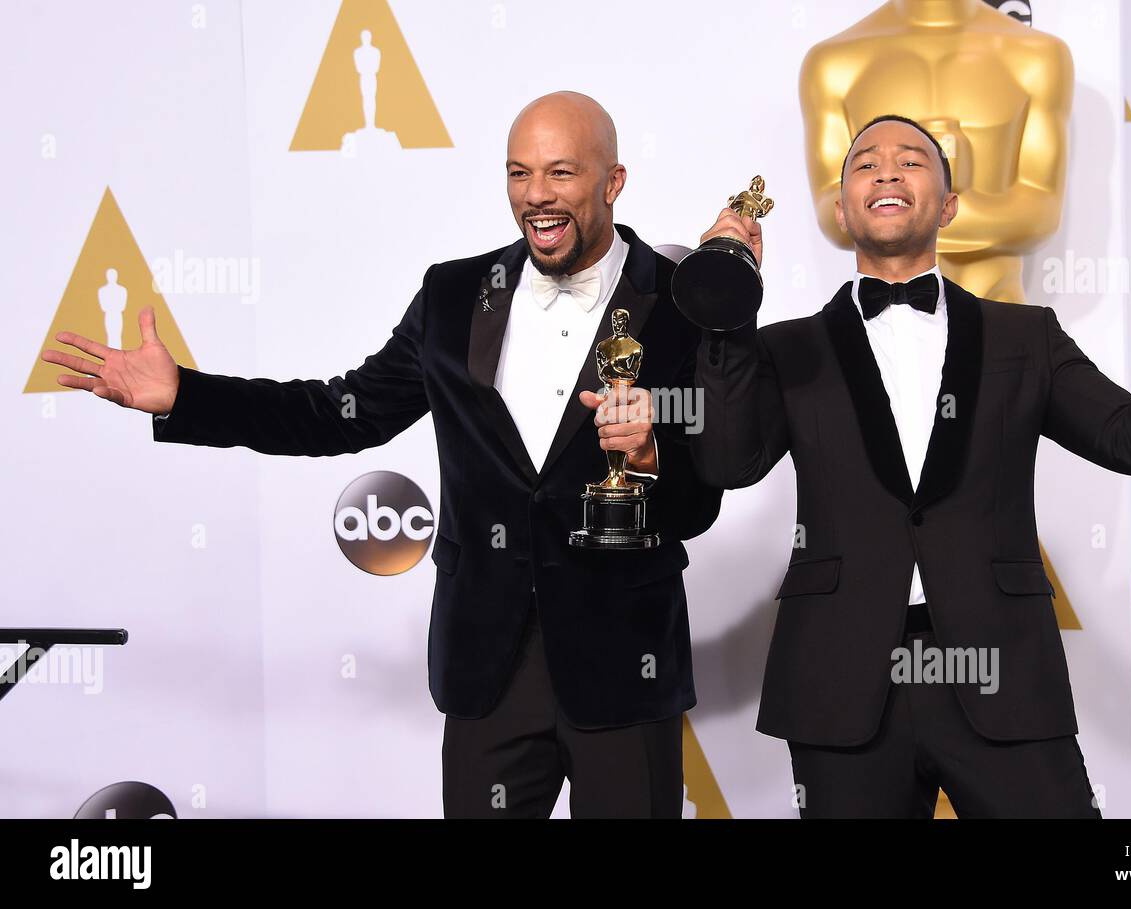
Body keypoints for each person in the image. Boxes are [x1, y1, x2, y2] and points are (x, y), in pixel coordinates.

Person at [43, 91, 721, 819]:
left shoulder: (681, 304)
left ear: (612, 182)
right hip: (486, 667)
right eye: (518, 173)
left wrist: (652, 453)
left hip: (624, 662)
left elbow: (701, 498)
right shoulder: (455, 294)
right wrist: (188, 396)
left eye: (560, 173)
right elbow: (342, 413)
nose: (536, 197)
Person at [690, 114, 1131, 818]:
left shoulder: (1026, 337)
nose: (888, 171)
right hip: (841, 681)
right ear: (840, 208)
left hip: (1005, 672)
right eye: (865, 162)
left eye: (912, 161)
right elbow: (725, 460)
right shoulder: (788, 348)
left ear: (949, 205)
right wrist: (725, 306)